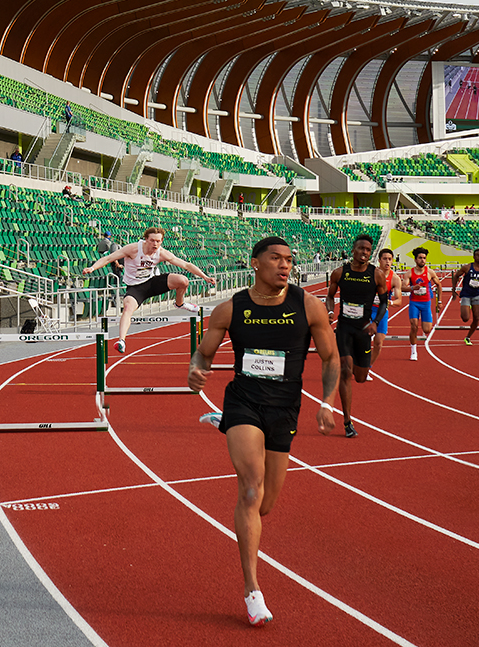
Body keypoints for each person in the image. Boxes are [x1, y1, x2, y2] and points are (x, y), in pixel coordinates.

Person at [191, 235, 338, 626]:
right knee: (250, 488)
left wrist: (327, 402)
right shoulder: (231, 308)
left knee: (266, 503)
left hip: (285, 408)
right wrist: (195, 367)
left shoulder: (308, 306)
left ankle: (226, 425)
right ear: (255, 262)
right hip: (244, 400)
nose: (285, 265)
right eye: (276, 258)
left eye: (290, 259)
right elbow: (204, 352)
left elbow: (329, 357)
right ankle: (252, 589)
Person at [81, 226, 217, 352]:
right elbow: (108, 258)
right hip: (135, 288)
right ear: (146, 239)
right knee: (127, 308)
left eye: (158, 241)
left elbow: (186, 265)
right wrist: (92, 268)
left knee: (183, 280)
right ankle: (121, 340)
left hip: (152, 283)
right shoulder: (133, 249)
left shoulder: (161, 253)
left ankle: (179, 303)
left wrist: (205, 277)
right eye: (152, 241)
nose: (155, 244)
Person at [327, 235, 390, 438]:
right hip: (344, 327)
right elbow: (329, 296)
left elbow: (383, 303)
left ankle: (355, 361)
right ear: (353, 250)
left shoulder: (377, 275)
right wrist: (329, 312)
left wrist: (375, 323)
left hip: (364, 330)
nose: (365, 252)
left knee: (360, 377)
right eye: (361, 248)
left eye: (368, 250)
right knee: (345, 371)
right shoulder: (339, 273)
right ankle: (347, 421)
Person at [403, 247, 438, 358]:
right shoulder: (409, 273)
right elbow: (403, 287)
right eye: (420, 258)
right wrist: (412, 288)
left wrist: (440, 300)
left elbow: (439, 285)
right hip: (414, 302)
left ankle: (428, 317)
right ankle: (414, 351)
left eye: (424, 258)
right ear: (415, 260)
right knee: (414, 326)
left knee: (427, 330)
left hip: (425, 303)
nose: (422, 260)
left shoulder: (430, 272)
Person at [452, 248, 479, 342]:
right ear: (474, 257)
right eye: (477, 255)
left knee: (477, 318)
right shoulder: (467, 267)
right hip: (466, 294)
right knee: (465, 318)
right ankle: (467, 308)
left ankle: (468, 337)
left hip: (477, 294)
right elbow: (456, 275)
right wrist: (453, 289)